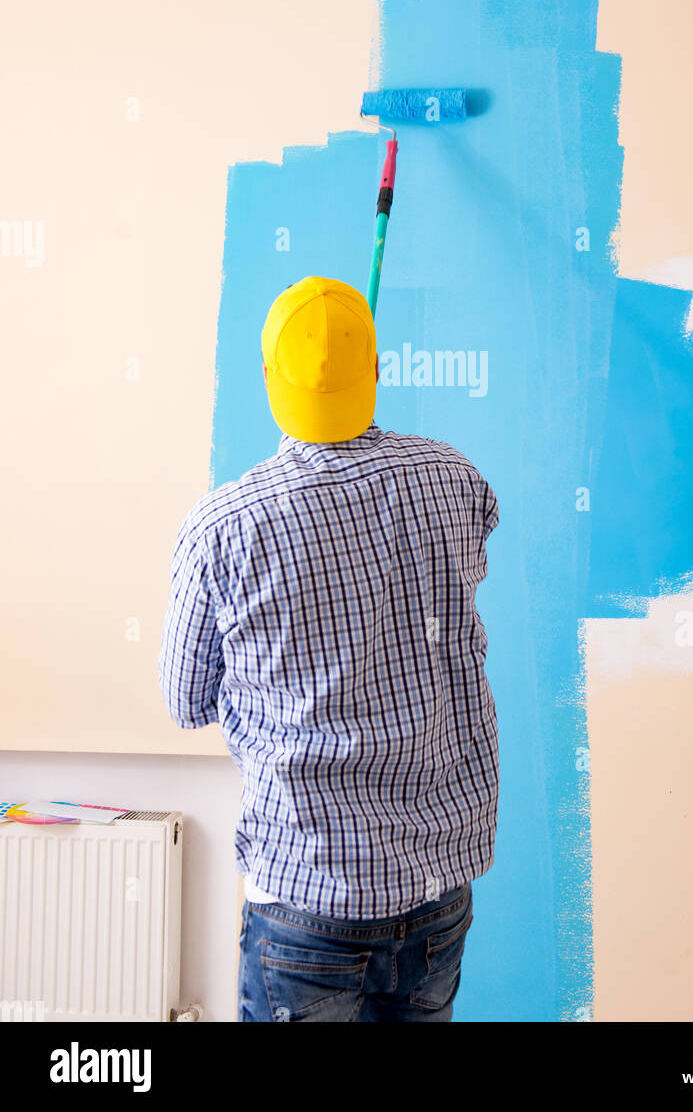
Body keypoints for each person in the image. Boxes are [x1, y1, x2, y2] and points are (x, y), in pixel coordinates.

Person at [159, 275, 499, 1021]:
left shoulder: (224, 525)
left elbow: (185, 702)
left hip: (306, 895)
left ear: (267, 378)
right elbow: (461, 567)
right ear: (375, 371)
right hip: (437, 886)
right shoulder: (454, 478)